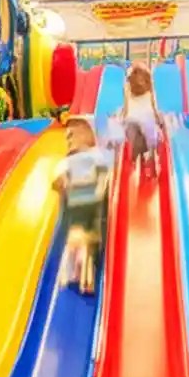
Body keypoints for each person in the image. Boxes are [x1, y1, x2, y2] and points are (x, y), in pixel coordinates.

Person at [53, 116, 112, 294]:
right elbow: (57, 180)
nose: (70, 137)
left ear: (89, 134)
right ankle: (73, 274)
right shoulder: (68, 162)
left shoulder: (96, 156)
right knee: (75, 243)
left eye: (75, 133)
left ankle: (86, 278)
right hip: (77, 210)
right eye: (68, 136)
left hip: (90, 210)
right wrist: (62, 183)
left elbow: (106, 172)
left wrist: (103, 186)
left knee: (86, 245)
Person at [119, 63, 164, 176]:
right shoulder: (138, 89)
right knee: (151, 135)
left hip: (134, 119)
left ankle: (136, 159)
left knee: (136, 134)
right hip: (140, 119)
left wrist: (122, 120)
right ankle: (150, 156)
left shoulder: (129, 88)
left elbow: (125, 108)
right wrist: (159, 119)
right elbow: (154, 107)